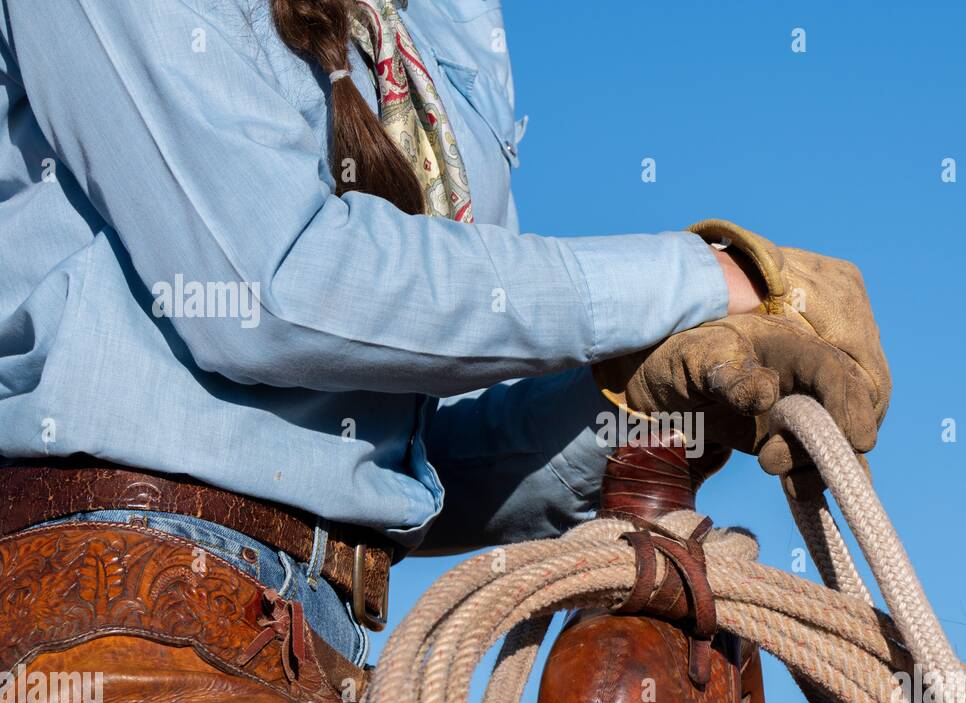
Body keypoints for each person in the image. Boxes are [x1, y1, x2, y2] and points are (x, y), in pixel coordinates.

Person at [0, 0, 889, 666]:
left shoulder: (438, 26)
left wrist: (630, 397)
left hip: (330, 637)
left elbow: (418, 462)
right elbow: (276, 290)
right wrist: (697, 278)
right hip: (115, 598)